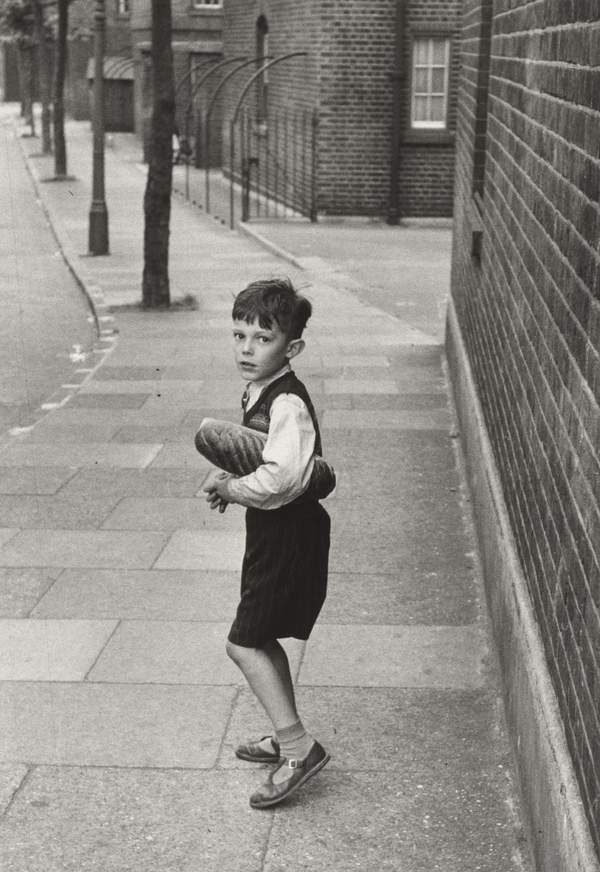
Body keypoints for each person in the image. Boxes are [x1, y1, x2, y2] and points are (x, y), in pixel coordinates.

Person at [203, 277, 332, 810]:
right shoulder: (260, 391)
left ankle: (301, 749)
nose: (246, 349)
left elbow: (281, 479)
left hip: (289, 536)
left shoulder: (288, 405)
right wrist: (227, 481)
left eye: (262, 339)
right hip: (274, 532)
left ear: (292, 348)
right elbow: (260, 458)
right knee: (263, 636)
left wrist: (235, 489)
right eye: (240, 336)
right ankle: (286, 734)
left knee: (243, 642)